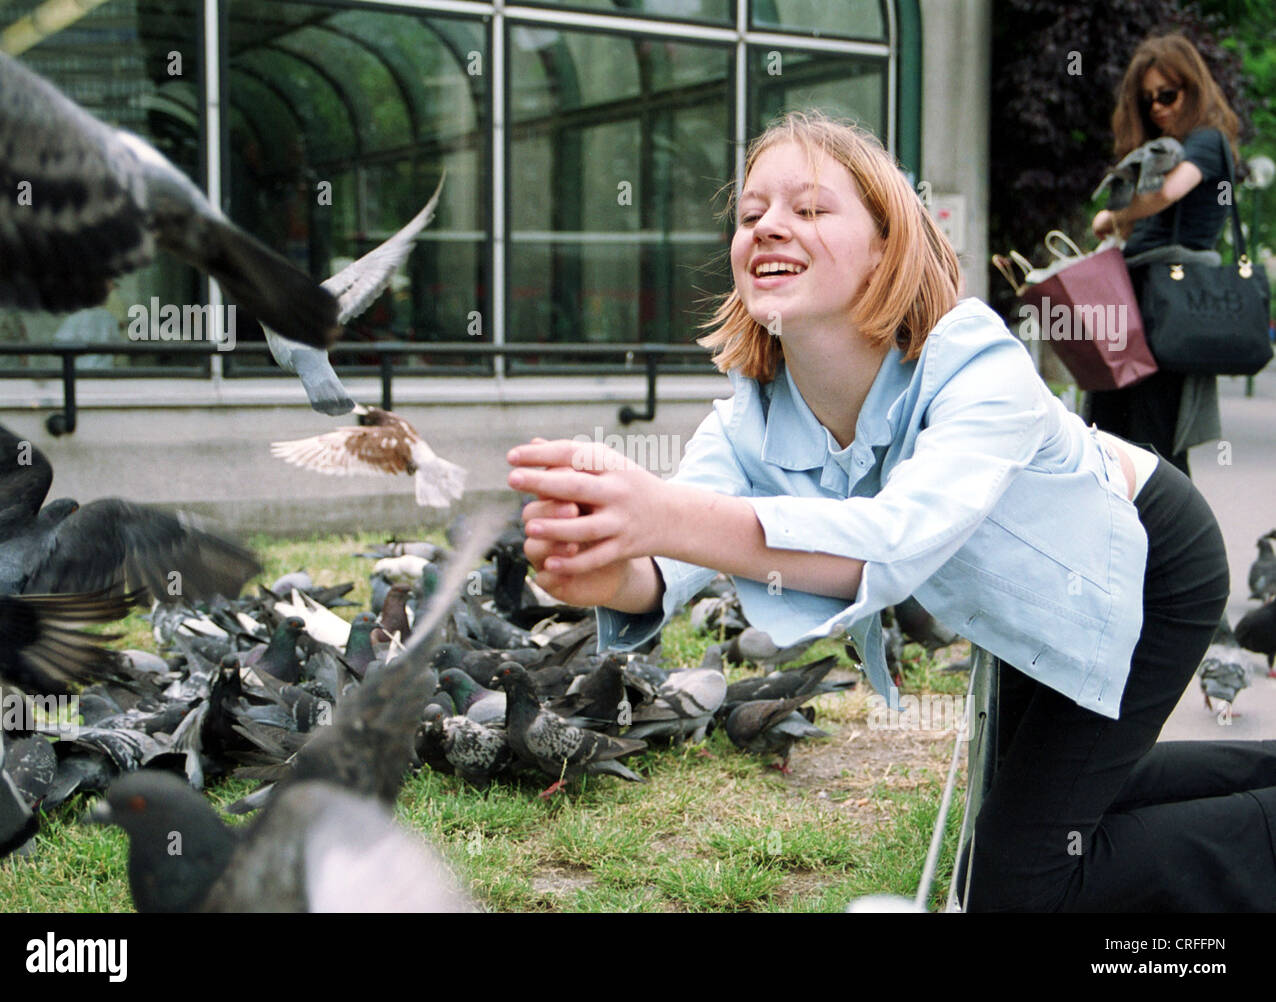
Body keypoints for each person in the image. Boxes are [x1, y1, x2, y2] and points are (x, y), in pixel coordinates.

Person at [506, 110, 1276, 912]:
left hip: (1149, 565)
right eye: (750, 213)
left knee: (1016, 884)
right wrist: (608, 565)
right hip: (1030, 596)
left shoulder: (976, 360)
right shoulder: (747, 415)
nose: (769, 225)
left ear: (886, 245)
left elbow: (889, 544)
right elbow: (669, 558)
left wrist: (657, 512)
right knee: (1050, 806)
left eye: (808, 209)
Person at [1087, 33, 1243, 478]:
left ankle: (1180, 548)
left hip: (1168, 302)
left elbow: (1167, 196)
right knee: (1109, 438)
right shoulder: (1163, 151)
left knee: (1153, 446)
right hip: (1135, 298)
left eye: (1168, 95)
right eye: (1148, 100)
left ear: (1192, 90)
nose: (1158, 108)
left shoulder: (1207, 142)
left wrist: (1112, 217)